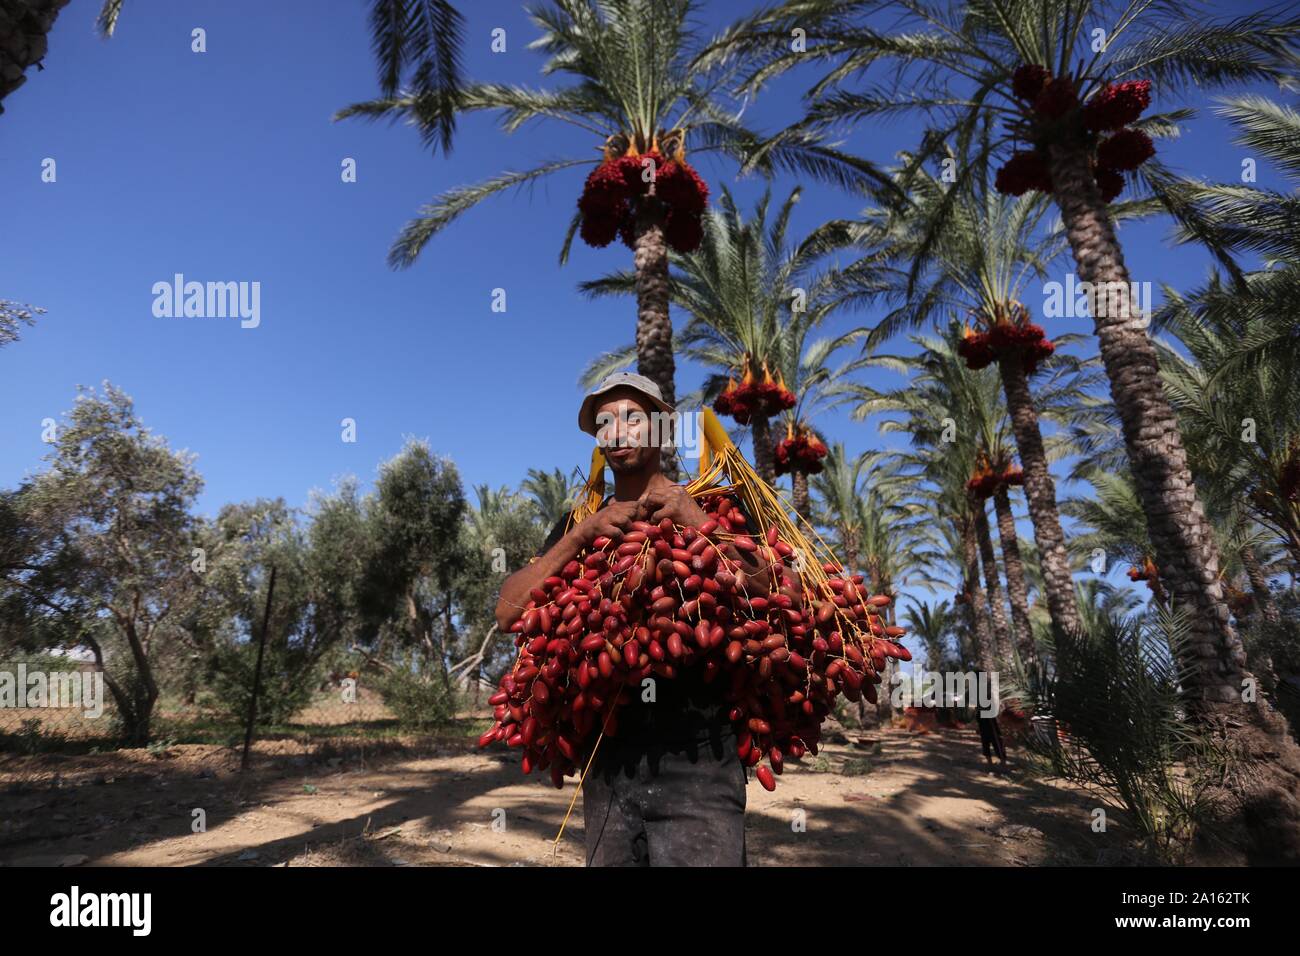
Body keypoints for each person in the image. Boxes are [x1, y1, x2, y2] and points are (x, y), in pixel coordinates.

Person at [494, 371, 781, 867]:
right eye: (605, 422)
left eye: (632, 418)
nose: (618, 431)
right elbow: (507, 613)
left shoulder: (714, 505)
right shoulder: (582, 523)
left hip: (701, 762)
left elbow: (776, 589)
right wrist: (582, 535)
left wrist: (695, 520)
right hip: (610, 763)